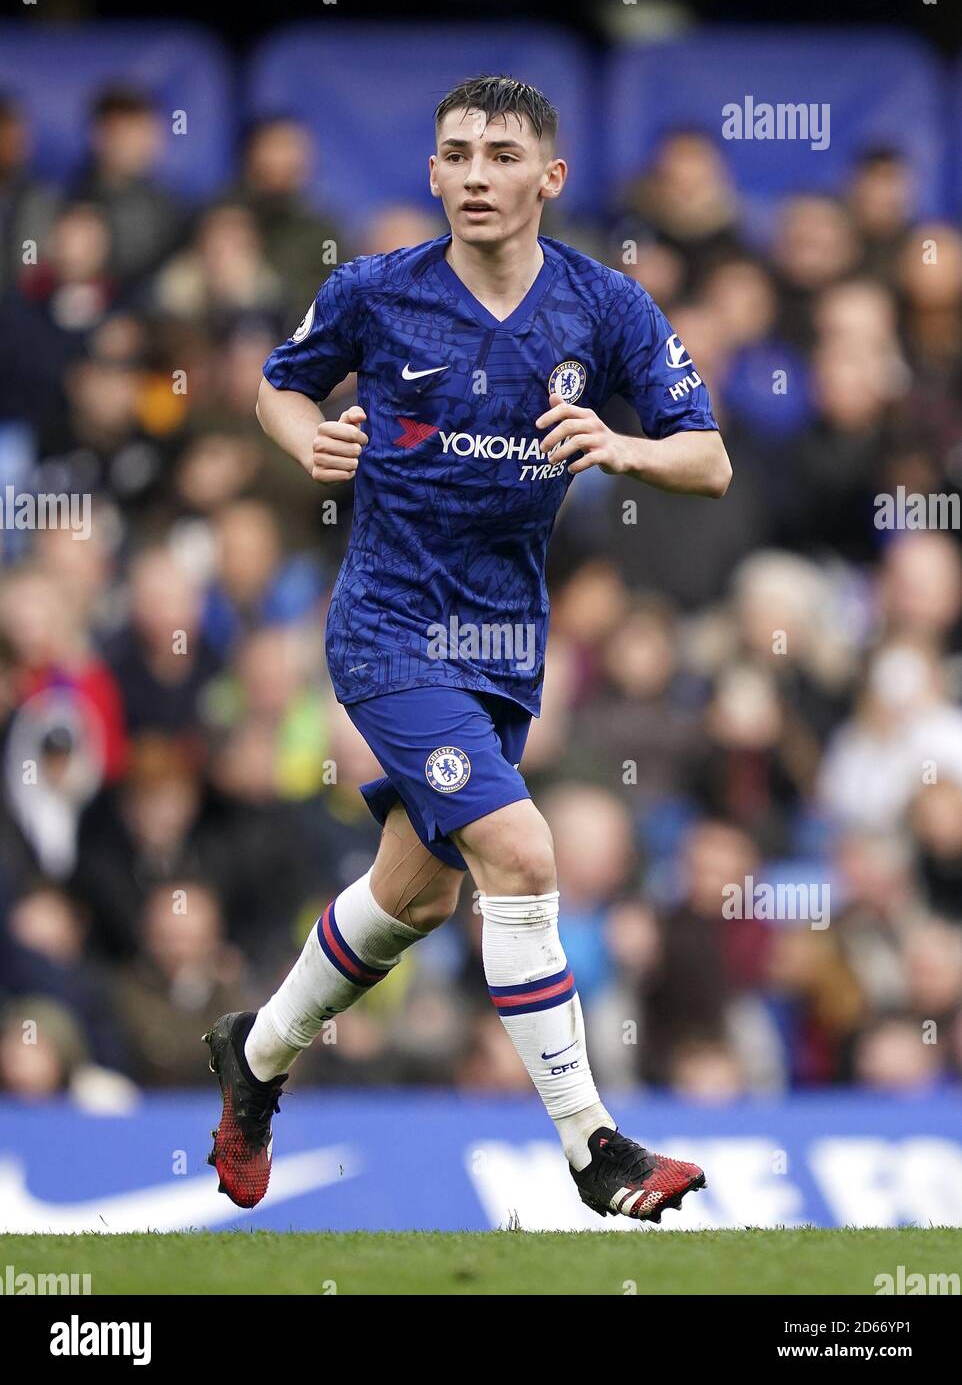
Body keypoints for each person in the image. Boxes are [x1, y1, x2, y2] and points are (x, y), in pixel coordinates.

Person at [206, 74, 731, 1221]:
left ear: (549, 178)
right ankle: (596, 1145)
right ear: (432, 173)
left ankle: (254, 1055)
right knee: (522, 855)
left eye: (501, 156)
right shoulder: (373, 292)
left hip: (503, 646)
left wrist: (620, 448)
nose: (474, 175)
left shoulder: (603, 308)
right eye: (455, 155)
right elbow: (274, 390)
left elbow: (708, 457)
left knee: (415, 898)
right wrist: (310, 443)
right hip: (390, 630)